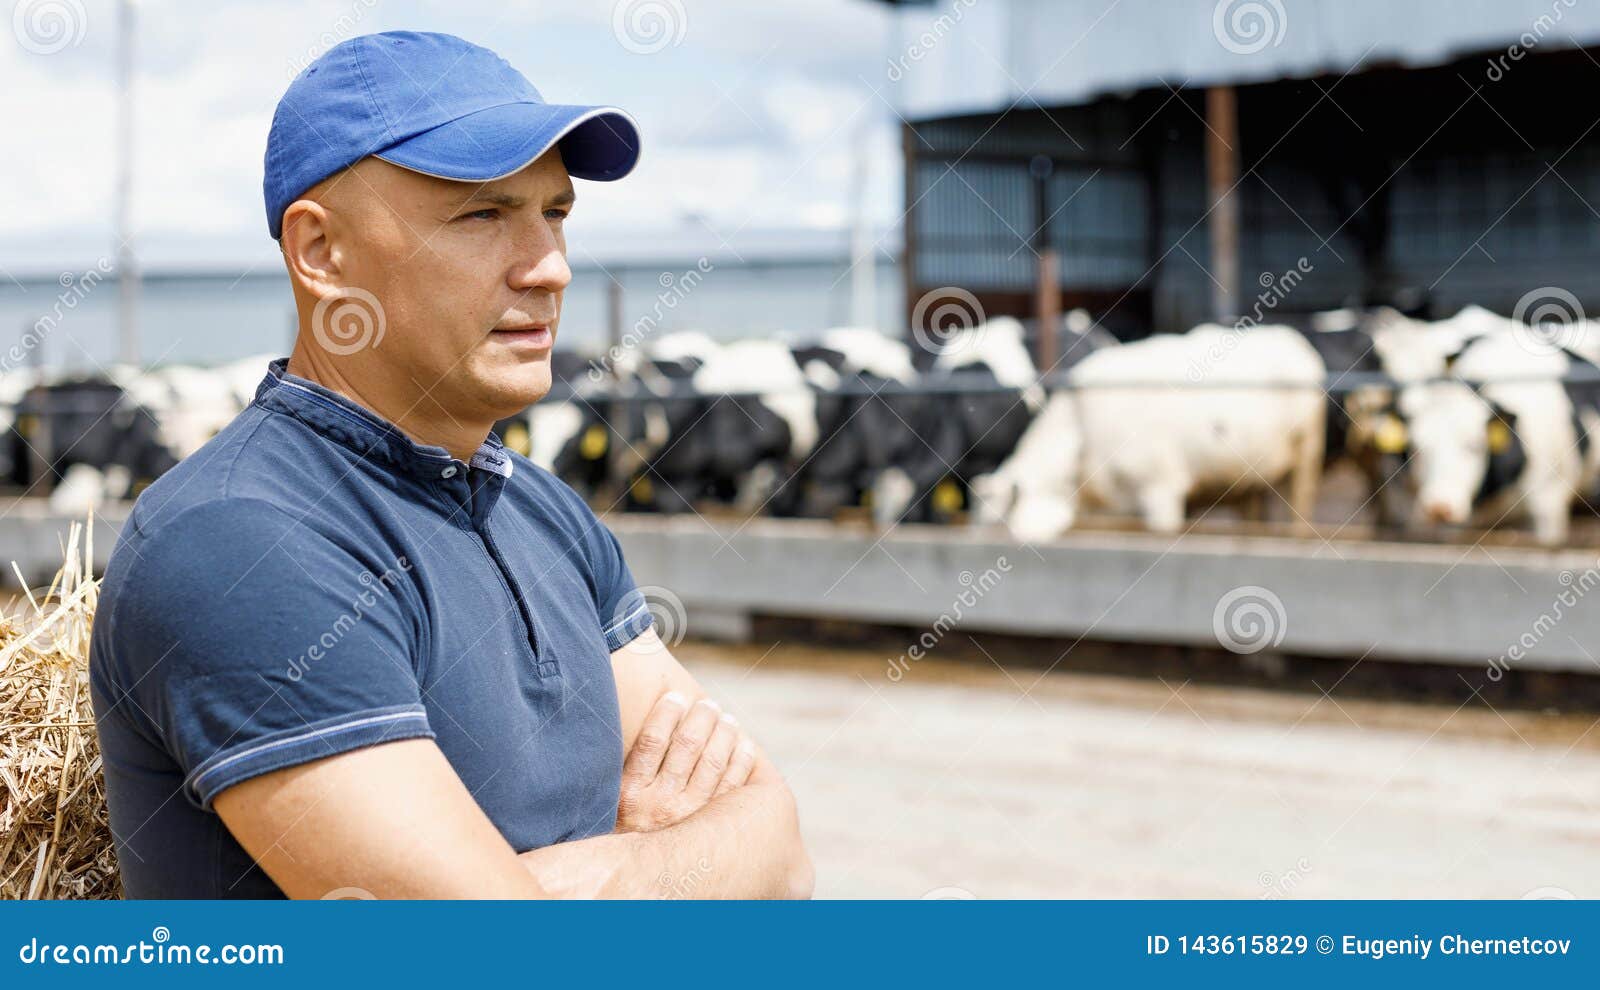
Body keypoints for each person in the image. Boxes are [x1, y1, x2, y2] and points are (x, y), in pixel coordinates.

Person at [87, 30, 812, 899]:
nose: (550, 267)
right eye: (482, 215)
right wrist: (669, 861)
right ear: (321, 254)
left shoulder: (545, 511)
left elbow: (785, 855)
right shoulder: (238, 545)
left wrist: (601, 876)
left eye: (555, 213)